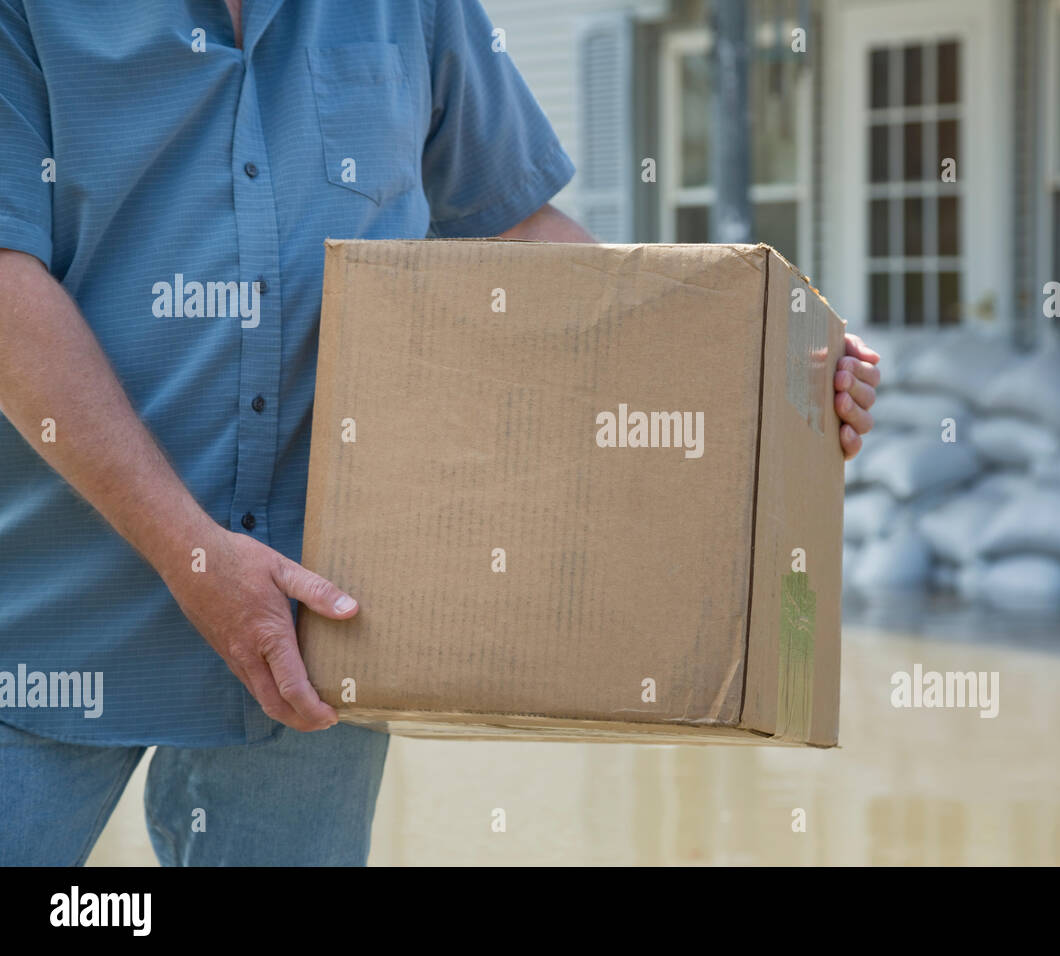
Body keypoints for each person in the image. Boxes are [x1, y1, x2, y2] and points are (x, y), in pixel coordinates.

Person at [0, 0, 880, 865]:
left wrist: (760, 382)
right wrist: (194, 553)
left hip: (326, 623)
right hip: (55, 626)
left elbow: (513, 226)